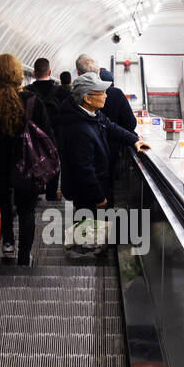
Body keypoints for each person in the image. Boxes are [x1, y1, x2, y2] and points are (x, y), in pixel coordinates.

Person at [0, 52, 52, 266]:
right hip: (28, 167)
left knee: (4, 206)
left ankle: (8, 244)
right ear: (18, 74)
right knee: (27, 211)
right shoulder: (33, 102)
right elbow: (48, 138)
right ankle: (24, 255)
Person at [60, 72, 150, 253]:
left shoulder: (91, 114)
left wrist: (134, 140)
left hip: (97, 185)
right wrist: (98, 197)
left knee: (94, 226)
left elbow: (112, 127)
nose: (106, 95)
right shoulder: (79, 129)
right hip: (87, 192)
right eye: (101, 92)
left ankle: (88, 247)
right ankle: (84, 256)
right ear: (88, 98)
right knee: (88, 224)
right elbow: (84, 170)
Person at [25, 57, 62, 200]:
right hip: (55, 135)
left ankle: (37, 188)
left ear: (34, 73)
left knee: (33, 160)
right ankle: (51, 193)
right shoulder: (60, 92)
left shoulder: (27, 92)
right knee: (54, 162)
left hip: (33, 136)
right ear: (50, 71)